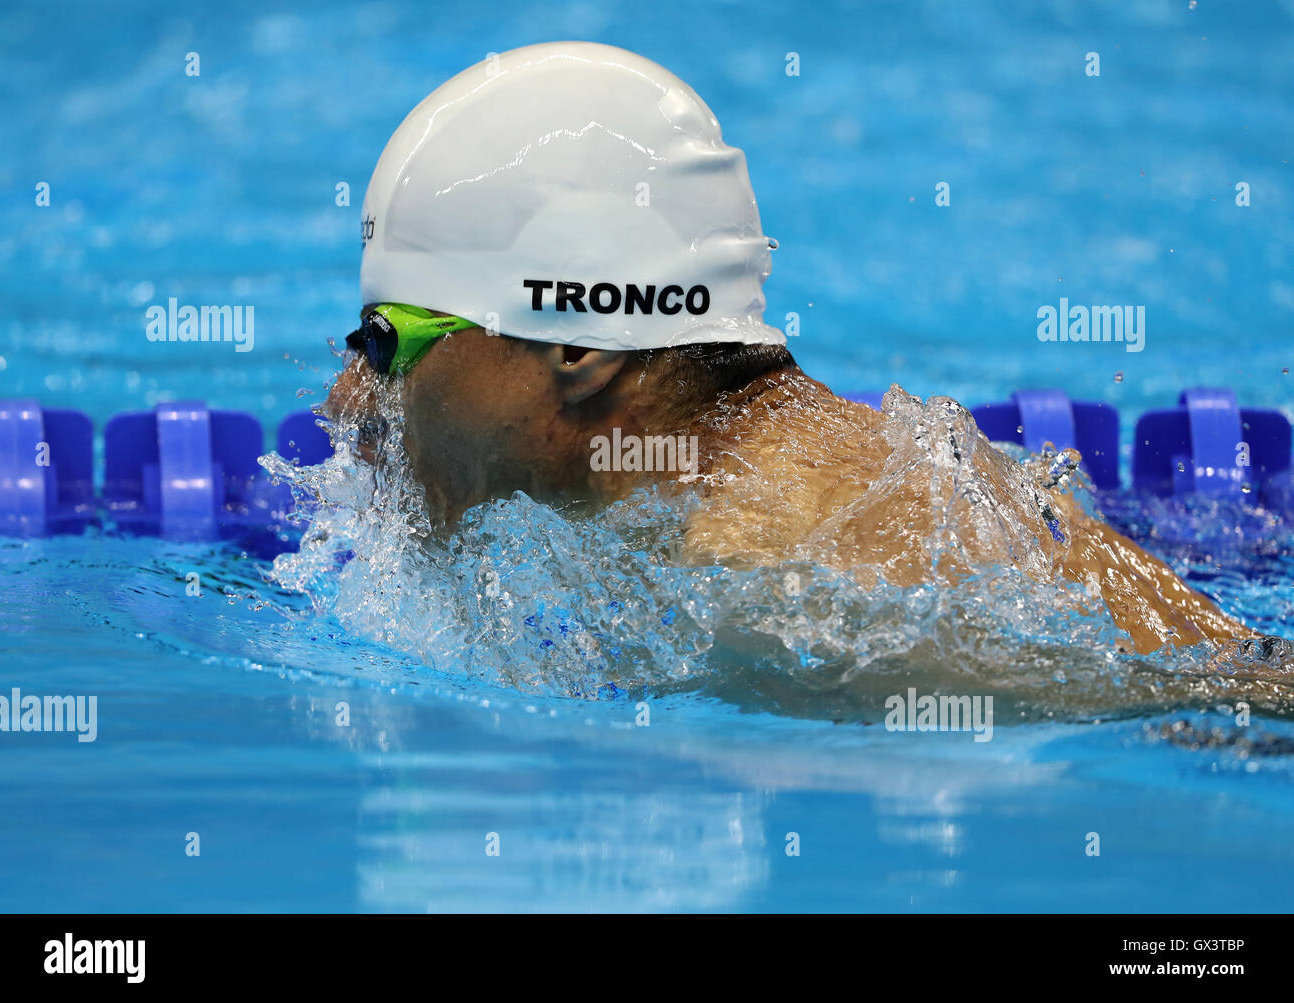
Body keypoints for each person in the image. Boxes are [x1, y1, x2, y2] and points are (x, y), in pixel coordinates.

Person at [328, 41, 1255, 656]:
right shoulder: (733, 510)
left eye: (385, 343)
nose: (344, 401)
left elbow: (1234, 711)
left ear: (580, 343)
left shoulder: (797, 580)